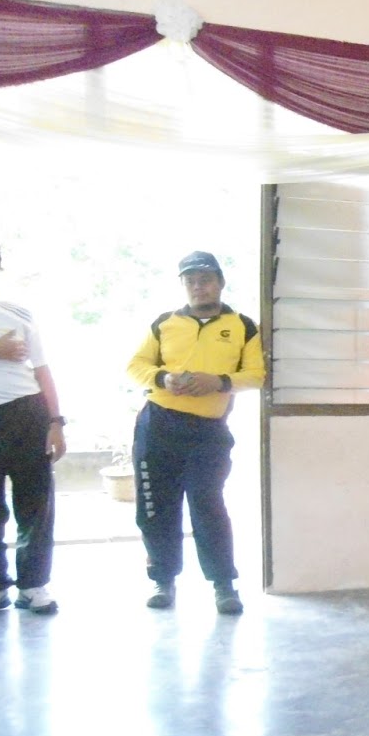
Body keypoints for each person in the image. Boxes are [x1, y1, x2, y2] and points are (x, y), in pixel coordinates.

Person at [125, 251, 264, 613]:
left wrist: (219, 382)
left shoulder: (243, 327)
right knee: (156, 507)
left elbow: (256, 375)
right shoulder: (164, 323)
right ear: (183, 286)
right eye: (190, 281)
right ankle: (163, 580)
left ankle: (224, 585)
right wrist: (164, 378)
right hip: (158, 426)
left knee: (208, 504)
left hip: (208, 433)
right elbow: (136, 365)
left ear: (219, 282)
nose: (198, 287)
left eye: (205, 279)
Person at [0, 236, 65, 616]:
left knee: (35, 504)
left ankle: (34, 585)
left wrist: (56, 422)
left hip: (26, 413)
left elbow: (42, 369)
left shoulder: (18, 313)